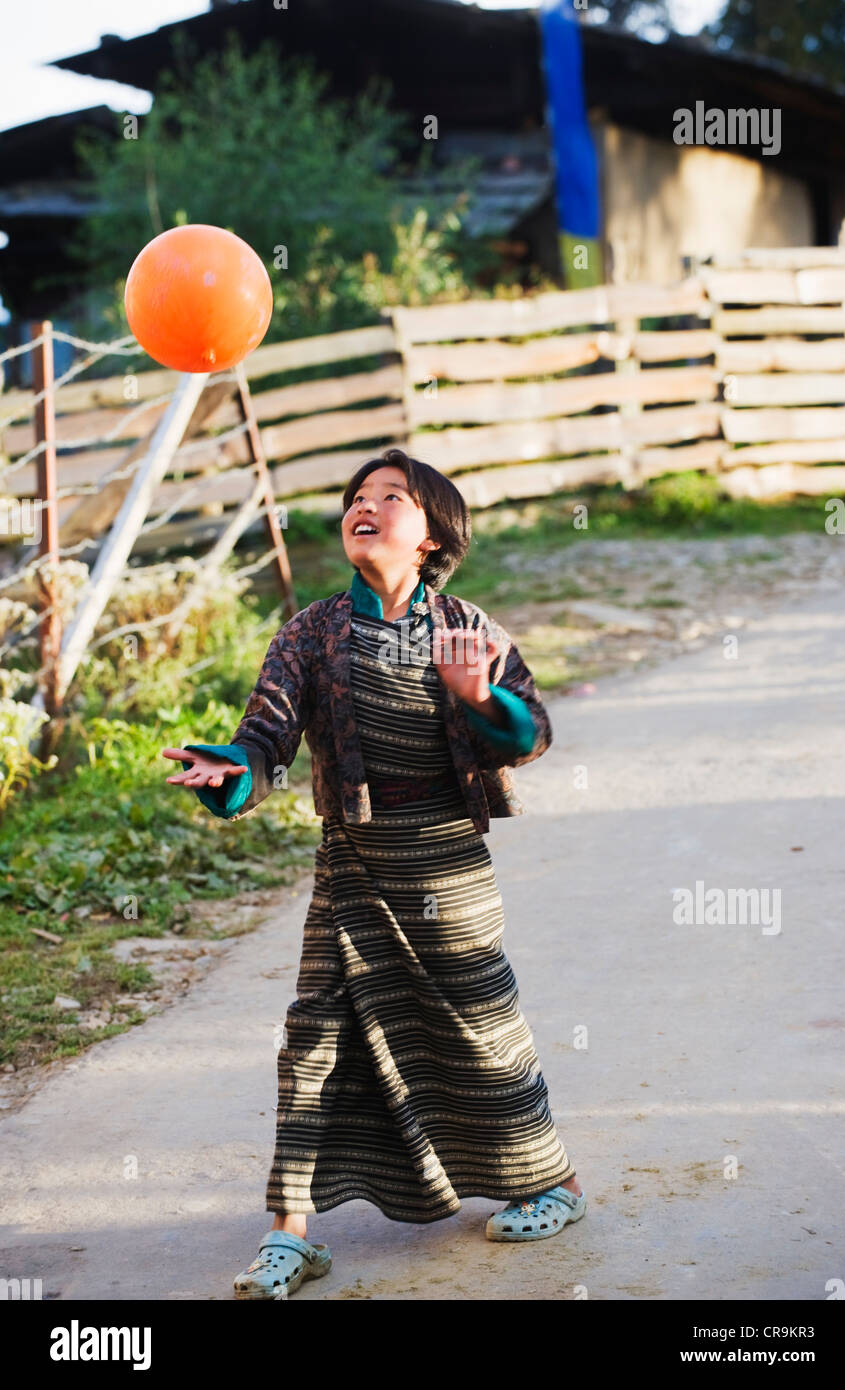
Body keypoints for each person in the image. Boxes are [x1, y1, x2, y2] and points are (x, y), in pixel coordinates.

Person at [162, 447, 585, 1299]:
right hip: (352, 863)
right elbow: (266, 736)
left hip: (447, 867)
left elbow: (528, 736)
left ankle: (552, 1183)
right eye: (358, 495)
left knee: (479, 1028)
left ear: (432, 536)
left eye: (392, 497)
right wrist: (231, 773)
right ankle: (290, 1234)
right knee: (314, 1037)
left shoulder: (468, 628)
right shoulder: (310, 633)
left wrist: (478, 697)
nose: (368, 505)